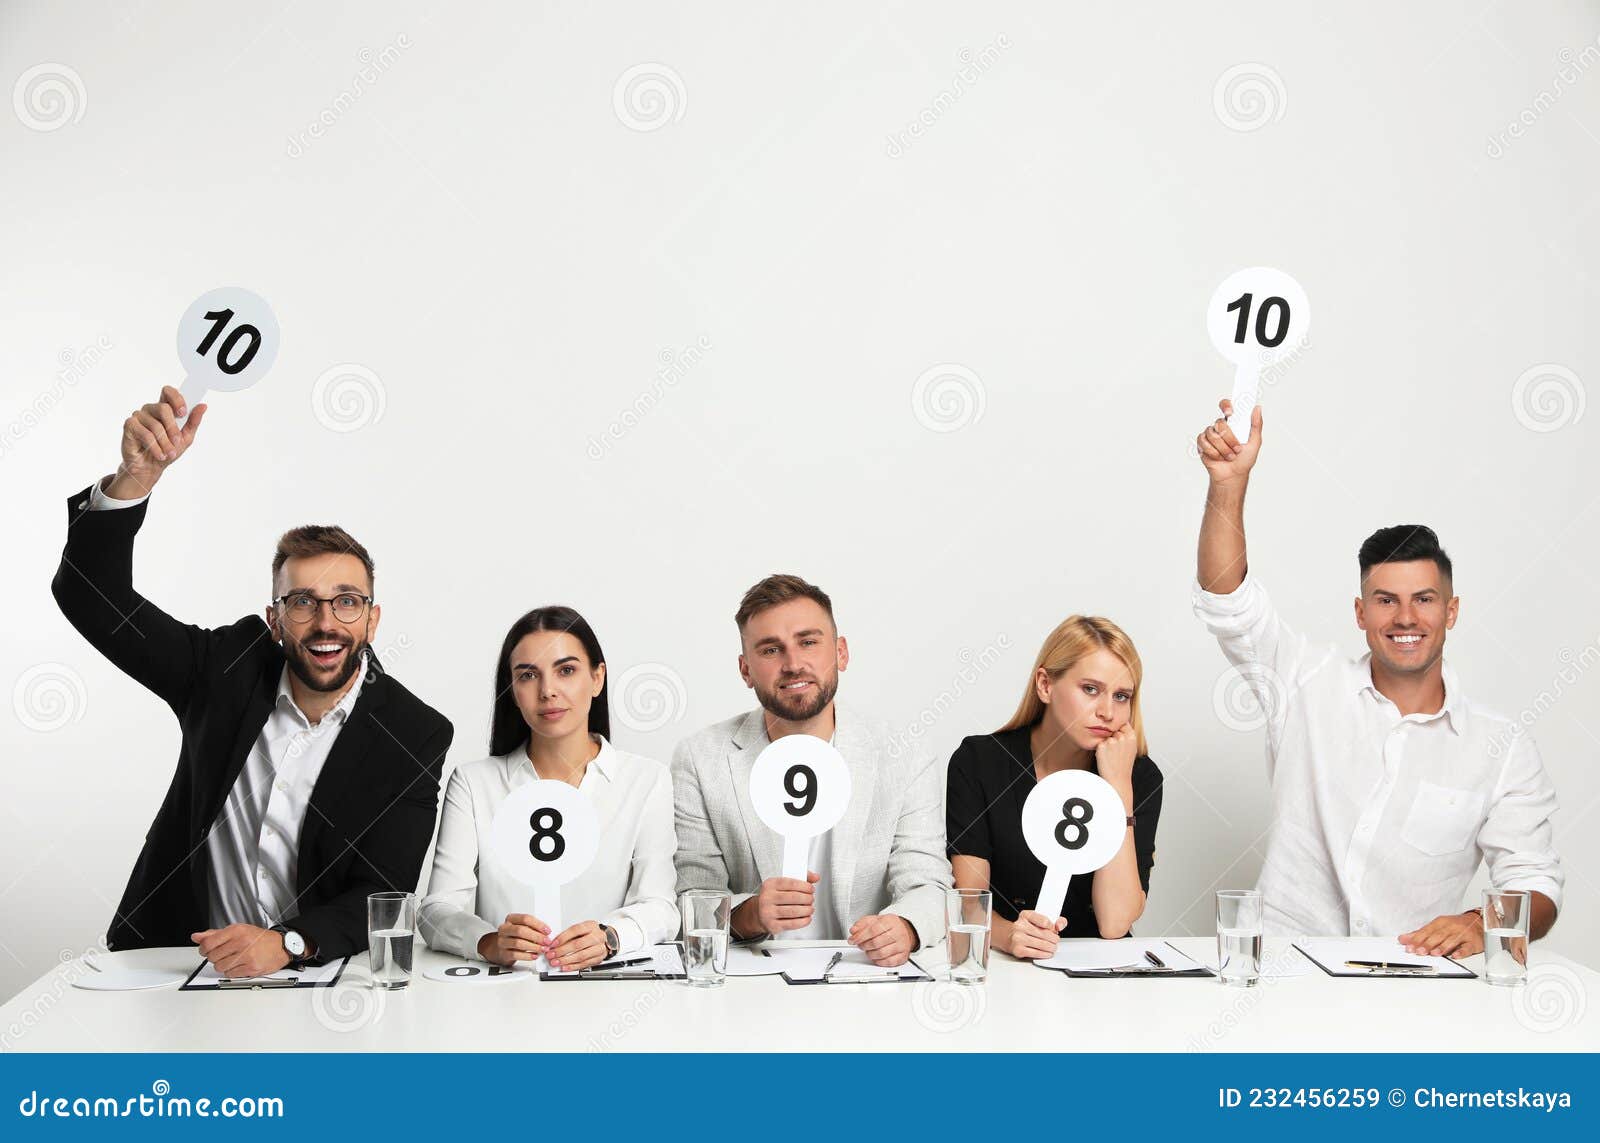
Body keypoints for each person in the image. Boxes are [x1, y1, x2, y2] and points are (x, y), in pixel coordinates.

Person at [51, 386, 453, 977]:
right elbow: (92, 597)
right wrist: (133, 479)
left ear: (372, 618)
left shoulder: (413, 733)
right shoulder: (225, 667)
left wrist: (289, 944)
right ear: (273, 619)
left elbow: (382, 891)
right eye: (302, 603)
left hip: (314, 973)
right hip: (174, 962)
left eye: (346, 602)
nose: (325, 624)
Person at [1192, 398, 1562, 954]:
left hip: (1414, 984)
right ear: (1361, 613)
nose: (1406, 618)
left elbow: (1534, 881)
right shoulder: (1304, 681)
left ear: (1451, 611)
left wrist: (1477, 921)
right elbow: (1228, 602)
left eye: (1424, 600)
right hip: (1284, 977)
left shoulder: (1501, 747)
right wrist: (1228, 483)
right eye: (1386, 600)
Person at [672, 574, 951, 966]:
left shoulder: (903, 754)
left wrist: (903, 926)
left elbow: (928, 881)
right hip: (752, 984)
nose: (793, 664)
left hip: (865, 976)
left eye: (808, 642)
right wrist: (749, 913)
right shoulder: (701, 759)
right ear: (745, 669)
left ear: (841, 653)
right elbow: (690, 898)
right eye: (770, 650)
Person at [420, 607, 677, 970]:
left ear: (597, 678)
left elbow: (663, 906)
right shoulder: (474, 784)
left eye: (566, 670)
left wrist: (611, 936)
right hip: (503, 996)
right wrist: (487, 941)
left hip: (606, 989)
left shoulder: (647, 780)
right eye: (528, 676)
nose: (548, 691)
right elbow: (435, 910)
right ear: (512, 689)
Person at [946, 617, 1162, 959]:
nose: (1107, 711)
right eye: (1090, 689)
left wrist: (1118, 787)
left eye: (1121, 696)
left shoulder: (1139, 777)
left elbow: (1114, 924)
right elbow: (968, 905)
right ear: (1045, 685)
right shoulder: (980, 762)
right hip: (1006, 963)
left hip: (1098, 970)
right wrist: (1007, 935)